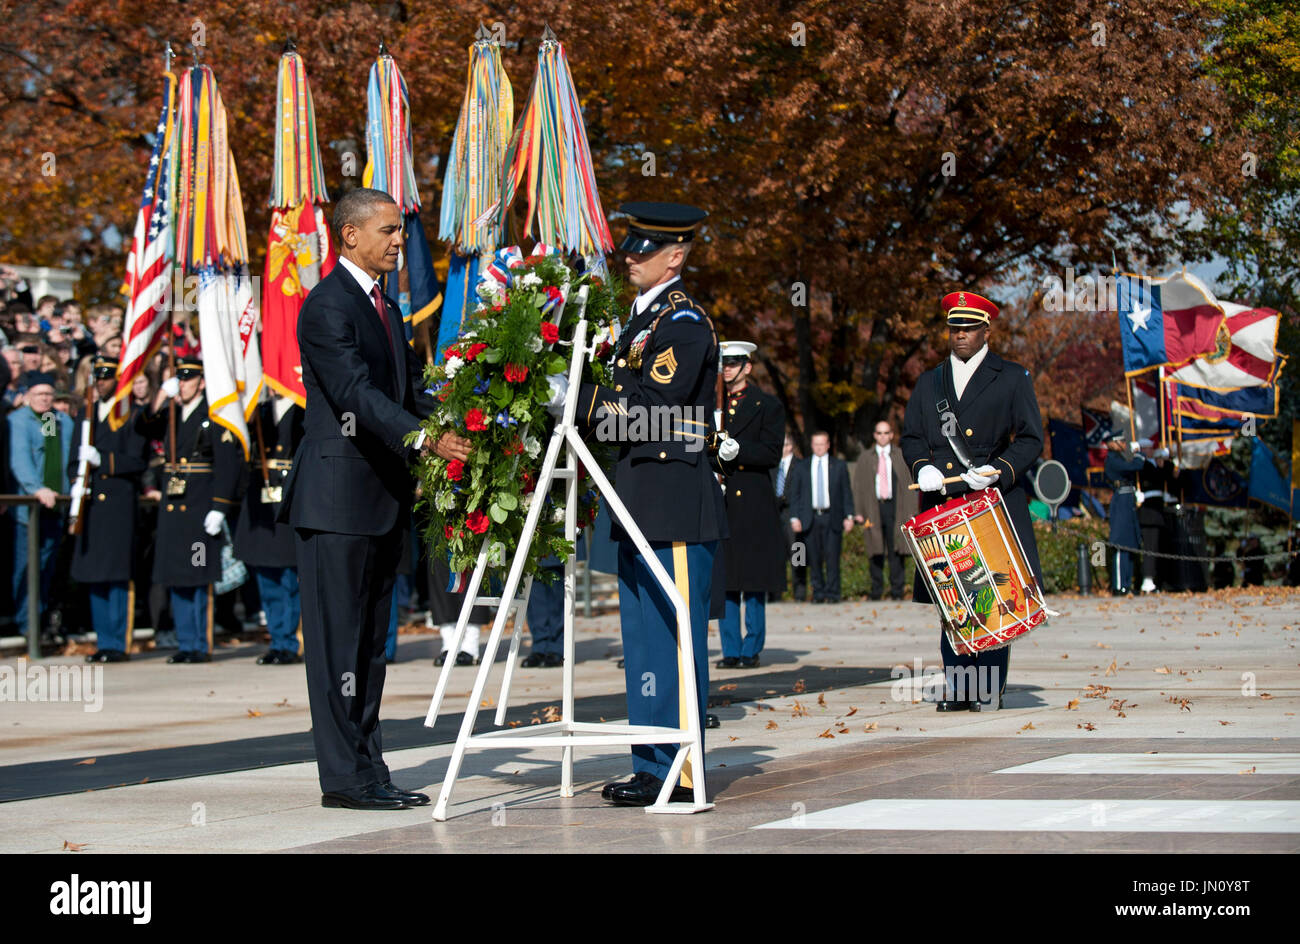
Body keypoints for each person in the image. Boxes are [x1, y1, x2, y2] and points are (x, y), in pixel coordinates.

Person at [279, 187, 469, 812]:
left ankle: (370, 769)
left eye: (399, 229)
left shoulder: (388, 305)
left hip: (382, 497)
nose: (399, 240)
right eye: (388, 229)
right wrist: (425, 439)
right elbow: (356, 393)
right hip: (335, 501)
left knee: (369, 649)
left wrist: (470, 427)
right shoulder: (326, 305)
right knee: (338, 645)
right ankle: (344, 779)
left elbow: (411, 392)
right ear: (350, 235)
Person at [572, 200, 728, 807]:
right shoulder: (638, 322)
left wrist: (581, 402)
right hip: (635, 497)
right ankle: (650, 763)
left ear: (677, 256)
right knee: (642, 641)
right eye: (629, 246)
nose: (629, 256)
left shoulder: (682, 323)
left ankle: (683, 771)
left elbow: (647, 413)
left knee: (678, 637)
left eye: (644, 248)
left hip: (674, 499)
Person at [901, 290, 1043, 711]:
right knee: (953, 595)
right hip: (943, 499)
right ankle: (960, 685)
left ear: (986, 331)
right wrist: (922, 466)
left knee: (994, 592)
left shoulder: (1013, 377)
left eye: (968, 329)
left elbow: (1032, 438)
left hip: (991, 498)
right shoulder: (930, 381)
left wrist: (1000, 468)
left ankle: (988, 685)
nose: (959, 336)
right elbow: (911, 436)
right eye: (954, 329)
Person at [136, 357, 242, 663]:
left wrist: (220, 506)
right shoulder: (170, 413)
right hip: (173, 505)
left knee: (198, 574)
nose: (182, 384)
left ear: (202, 382)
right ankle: (185, 643)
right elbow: (143, 427)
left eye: (188, 379)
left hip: (199, 503)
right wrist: (160, 396)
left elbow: (227, 463)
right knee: (177, 574)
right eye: (179, 379)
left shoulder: (214, 414)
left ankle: (199, 643)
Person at [71, 355, 150, 662]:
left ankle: (118, 642)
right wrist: (75, 479)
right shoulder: (85, 414)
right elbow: (72, 457)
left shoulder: (131, 415)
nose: (101, 383)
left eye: (106, 377)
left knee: (116, 576)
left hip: (117, 504)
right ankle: (104, 640)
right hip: (91, 504)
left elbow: (137, 460)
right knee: (95, 575)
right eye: (98, 377)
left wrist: (103, 461)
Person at [711, 341, 786, 668]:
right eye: (724, 363)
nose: (727, 368)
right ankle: (730, 649)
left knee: (753, 580)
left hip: (753, 500)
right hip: (722, 500)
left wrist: (737, 449)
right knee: (726, 580)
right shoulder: (711, 403)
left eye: (734, 363)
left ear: (747, 367)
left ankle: (751, 647)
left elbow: (771, 453)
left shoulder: (766, 405)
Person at [233, 394, 304, 665]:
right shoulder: (257, 411)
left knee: (289, 578)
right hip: (261, 499)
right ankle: (277, 640)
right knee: (267, 576)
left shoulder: (302, 409)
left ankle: (290, 641)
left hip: (289, 497)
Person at [8, 371, 74, 632]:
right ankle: (27, 626)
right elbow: (20, 459)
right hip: (29, 509)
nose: (45, 399)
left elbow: (63, 454)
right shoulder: (19, 421)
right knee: (26, 567)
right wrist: (36, 488)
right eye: (39, 394)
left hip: (57, 507)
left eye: (49, 394)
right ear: (27, 396)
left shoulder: (60, 421)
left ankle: (42, 621)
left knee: (48, 567)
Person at [852, 419, 916, 601]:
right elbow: (858, 487)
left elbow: (909, 485)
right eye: (879, 433)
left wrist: (911, 510)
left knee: (896, 548)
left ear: (891, 435)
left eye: (886, 433)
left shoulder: (899, 455)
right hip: (873, 508)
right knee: (875, 548)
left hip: (896, 507)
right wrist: (858, 511)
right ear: (874, 435)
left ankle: (897, 590)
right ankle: (876, 589)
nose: (883, 436)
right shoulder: (866, 458)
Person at [786, 431, 854, 603]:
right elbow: (795, 494)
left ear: (828, 445)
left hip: (832, 517)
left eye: (822, 444)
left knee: (832, 558)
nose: (819, 447)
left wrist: (849, 516)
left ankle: (833, 593)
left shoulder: (838, 465)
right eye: (816, 444)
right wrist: (794, 517)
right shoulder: (802, 466)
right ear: (811, 445)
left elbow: (846, 492)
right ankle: (818, 593)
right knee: (814, 558)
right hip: (810, 517)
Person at [1103, 435, 1143, 595]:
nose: (1124, 444)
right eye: (1122, 441)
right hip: (1120, 501)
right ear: (1113, 443)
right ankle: (1119, 585)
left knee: (1130, 543)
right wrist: (1139, 454)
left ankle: (1127, 583)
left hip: (1128, 499)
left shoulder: (1119, 457)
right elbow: (1134, 466)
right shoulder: (1112, 459)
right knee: (1121, 544)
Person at [772, 433, 806, 600]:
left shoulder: (800, 465)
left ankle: (800, 591)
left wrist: (798, 515)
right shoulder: (772, 466)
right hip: (775, 514)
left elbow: (802, 492)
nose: (783, 449)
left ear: (791, 446)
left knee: (797, 553)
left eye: (785, 445)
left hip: (793, 513)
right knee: (776, 554)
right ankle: (776, 593)